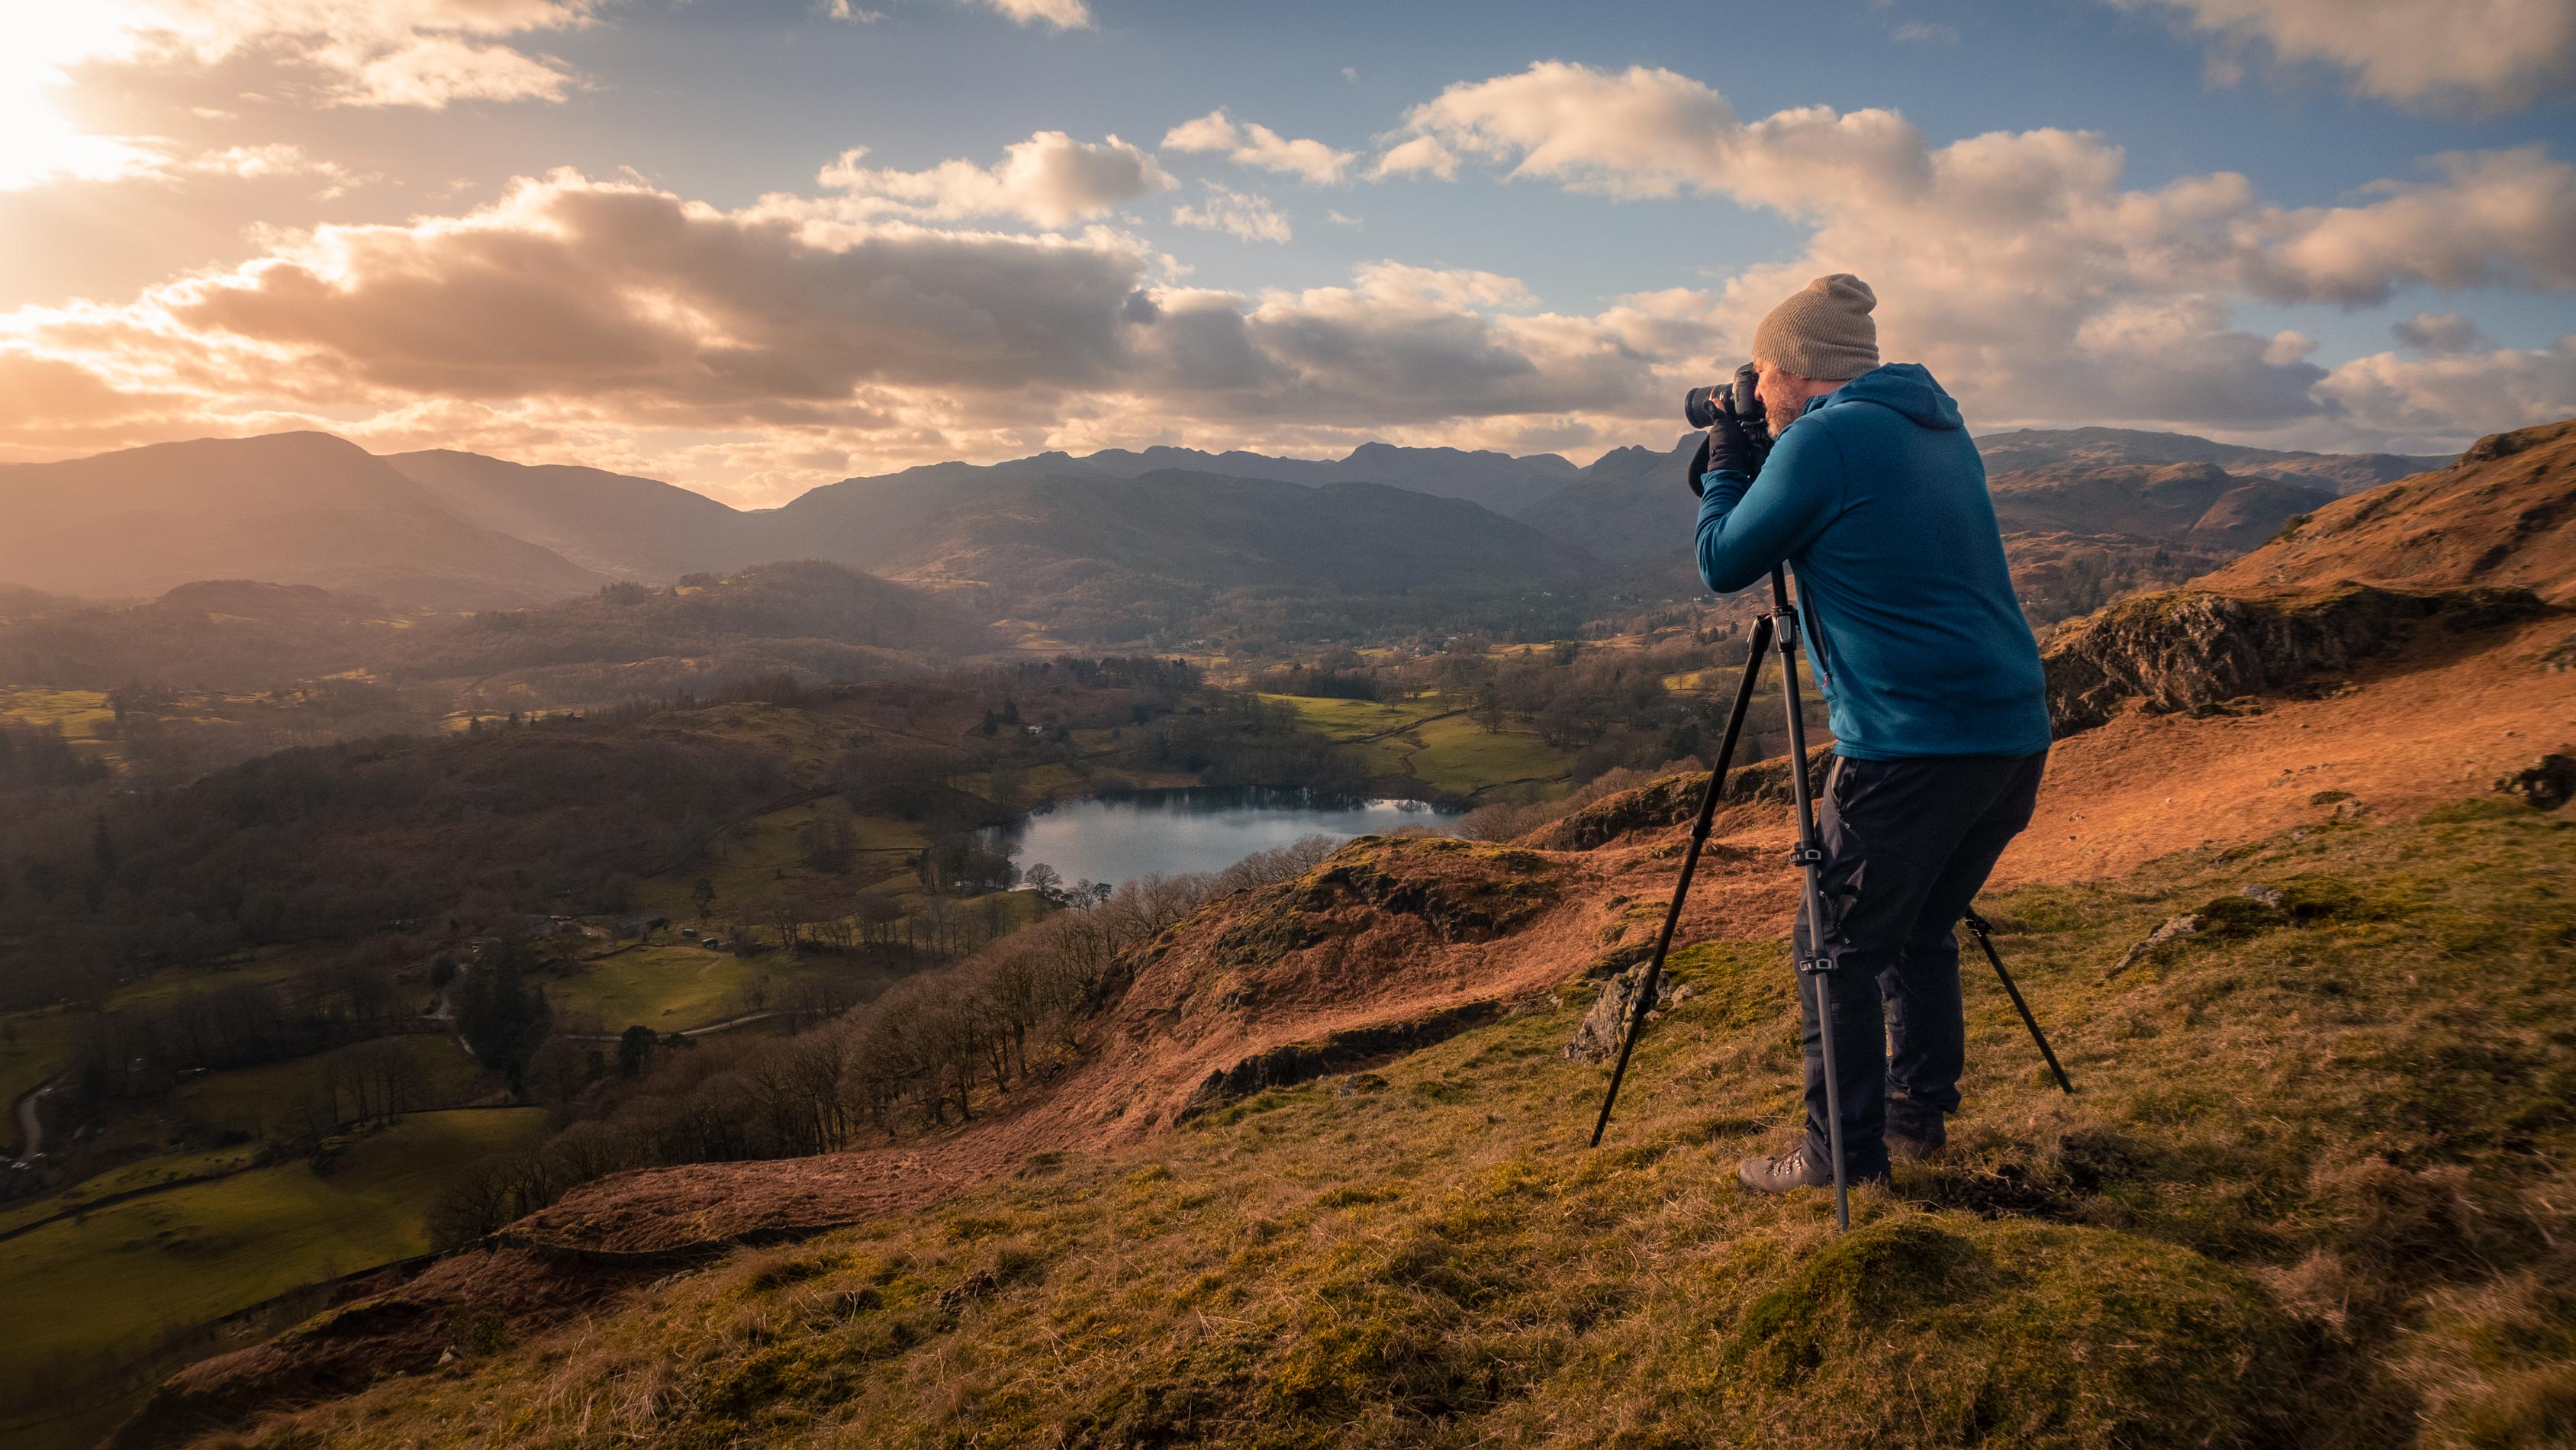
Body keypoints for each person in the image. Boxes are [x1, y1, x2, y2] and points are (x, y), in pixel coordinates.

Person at [1692, 272, 2053, 1195]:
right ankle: (1915, 1112)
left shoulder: (1825, 438)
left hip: (1908, 742)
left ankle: (1840, 1158)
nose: (1753, 389)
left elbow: (1723, 560)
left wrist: (1728, 461)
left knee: (1833, 949)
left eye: (1761, 372)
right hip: (2010, 734)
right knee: (1920, 925)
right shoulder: (1931, 423)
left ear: (1796, 370)